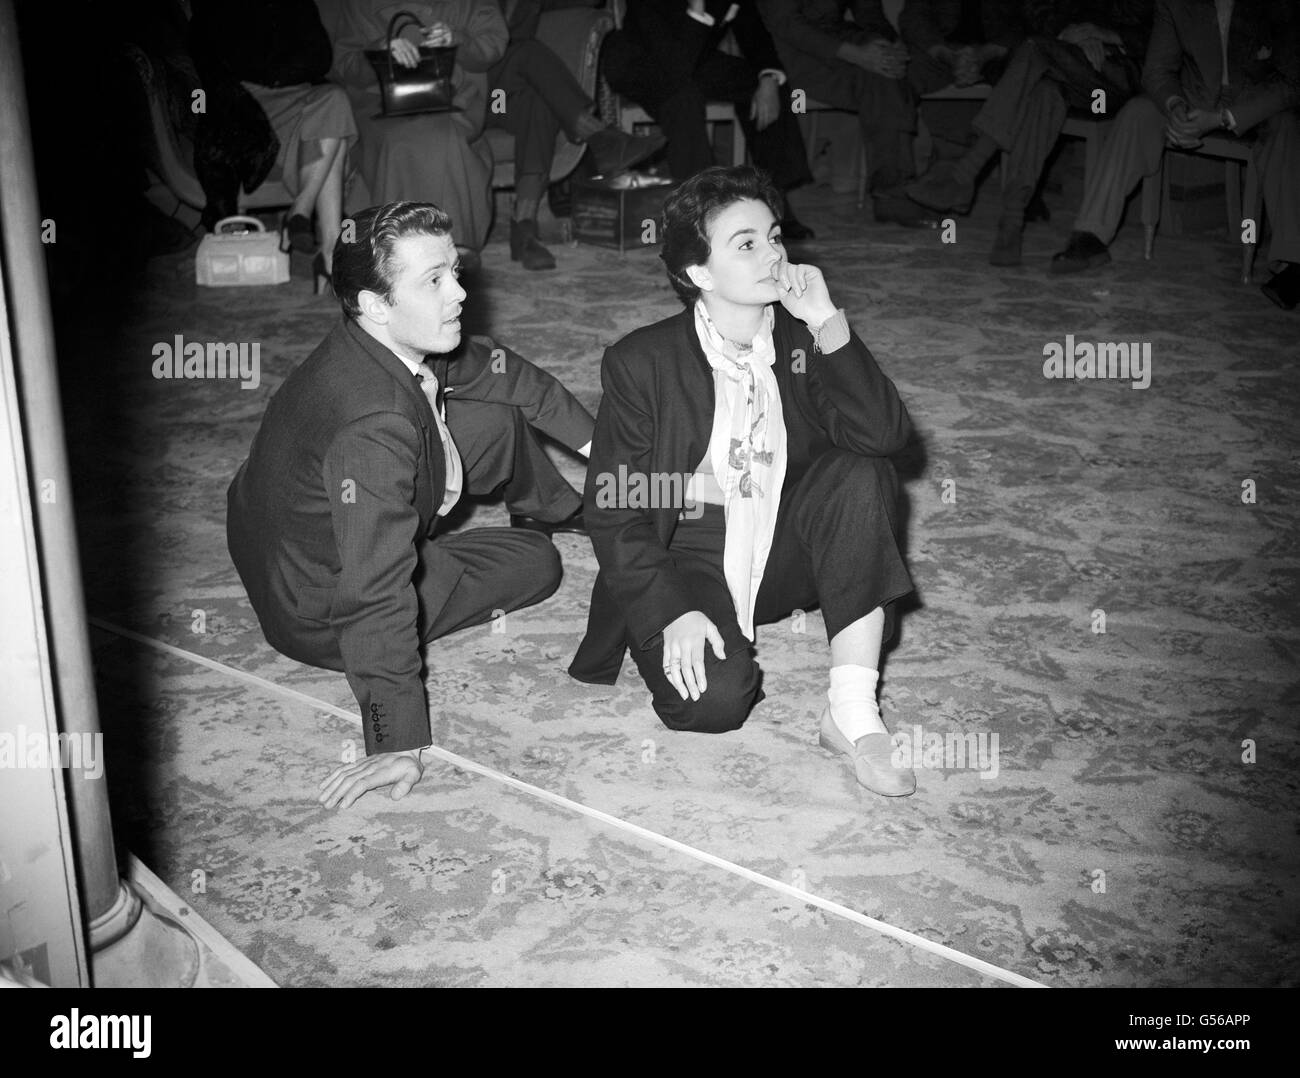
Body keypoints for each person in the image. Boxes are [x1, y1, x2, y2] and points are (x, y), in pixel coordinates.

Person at [227, 202, 595, 809]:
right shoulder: (373, 427)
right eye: (433, 281)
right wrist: (394, 738)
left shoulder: (381, 333)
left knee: (496, 417)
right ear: (376, 303)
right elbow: (374, 590)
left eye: (454, 270)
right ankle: (534, 531)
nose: (458, 294)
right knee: (536, 563)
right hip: (322, 605)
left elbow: (512, 375)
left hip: (282, 537)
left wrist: (609, 461)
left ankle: (550, 504)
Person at [569, 166, 918, 796]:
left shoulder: (799, 340)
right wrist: (669, 607)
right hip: (690, 548)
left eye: (775, 236)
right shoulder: (642, 361)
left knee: (862, 471)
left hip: (785, 539)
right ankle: (691, 619)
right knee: (714, 705)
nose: (775, 254)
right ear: (698, 273)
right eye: (747, 243)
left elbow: (886, 437)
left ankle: (852, 711)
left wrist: (825, 320)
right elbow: (614, 504)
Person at [1049, 0, 1300, 310]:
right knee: (1137, 112)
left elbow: (1291, 83)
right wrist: (1174, 106)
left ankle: (1293, 261)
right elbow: (1157, 70)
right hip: (1194, 96)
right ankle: (1090, 235)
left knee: (1287, 127)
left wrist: (1224, 117)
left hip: (1260, 103)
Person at [904, 1, 1153, 265]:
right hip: (1065, 66)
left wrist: (1104, 35)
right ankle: (1011, 223)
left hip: (1114, 79)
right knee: (1044, 92)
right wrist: (1068, 33)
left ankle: (965, 174)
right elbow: (1036, 13)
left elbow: (1162, 34)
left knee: (1035, 49)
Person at [602, 0, 816, 237]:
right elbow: (675, 66)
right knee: (683, 99)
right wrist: (696, 8)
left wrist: (768, 79)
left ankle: (775, 203)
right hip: (640, 62)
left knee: (769, 84)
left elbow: (754, 35)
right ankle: (701, 211)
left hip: (694, 59)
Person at [320, 0, 509, 263]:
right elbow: (342, 64)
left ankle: (455, 244)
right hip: (381, 103)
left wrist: (457, 40)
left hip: (454, 99)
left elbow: (493, 46)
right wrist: (380, 50)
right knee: (399, 142)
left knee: (444, 136)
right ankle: (397, 251)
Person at [189, 0, 358, 289]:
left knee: (336, 99)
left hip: (300, 96)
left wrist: (278, 70)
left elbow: (320, 58)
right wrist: (281, 70)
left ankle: (302, 213)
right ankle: (328, 256)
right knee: (335, 140)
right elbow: (221, 61)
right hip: (246, 103)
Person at [487, 0, 666, 270]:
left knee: (538, 105)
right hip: (479, 96)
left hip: (505, 95)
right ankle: (599, 135)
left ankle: (524, 228)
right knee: (527, 53)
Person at [756, 0, 934, 227]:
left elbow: (869, 13)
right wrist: (855, 54)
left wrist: (888, 43)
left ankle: (896, 188)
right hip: (788, 50)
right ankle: (893, 191)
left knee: (886, 69)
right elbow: (785, 23)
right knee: (882, 81)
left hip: (840, 37)